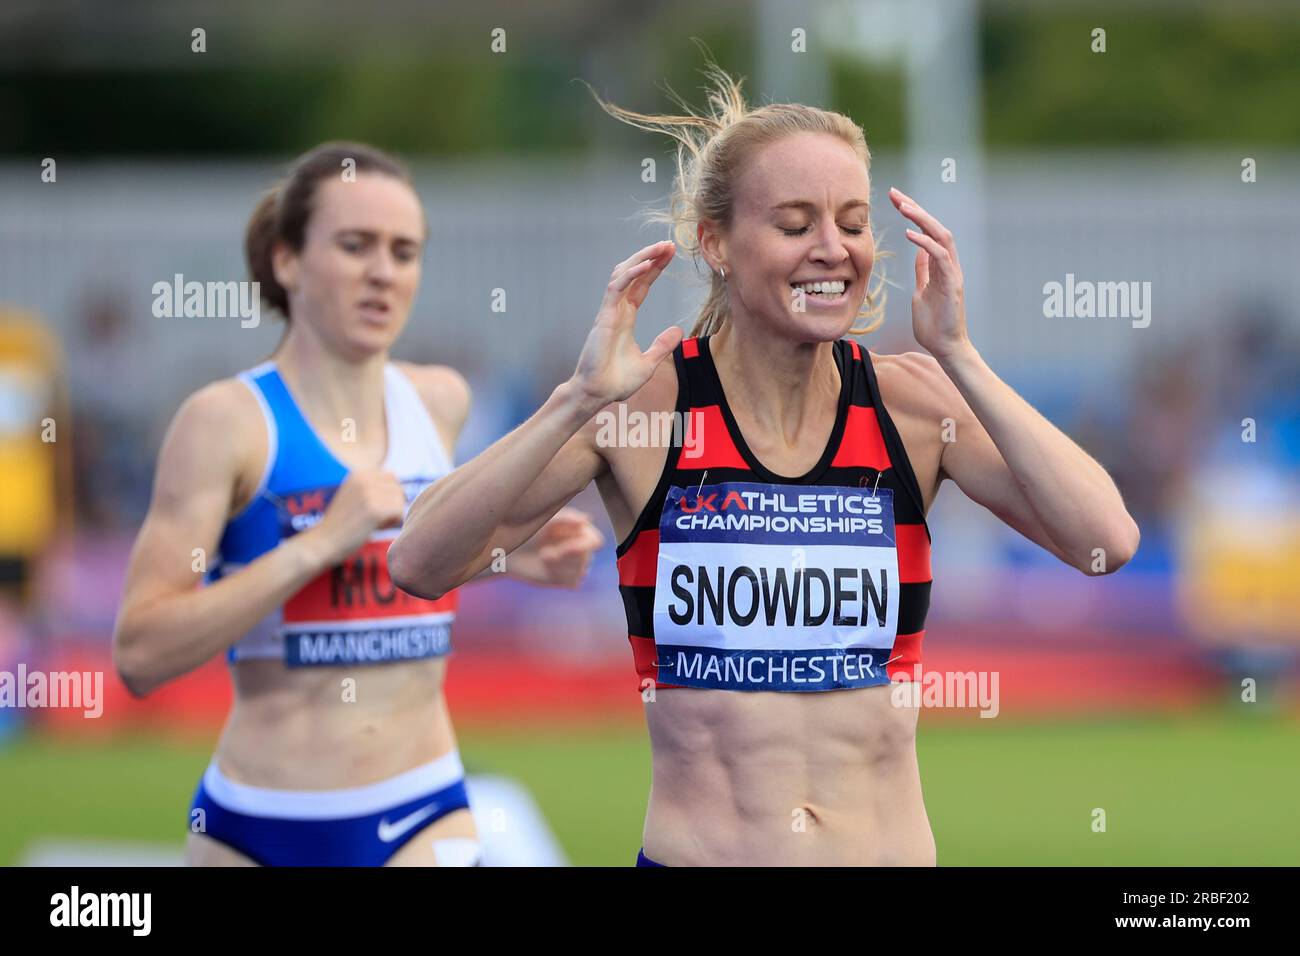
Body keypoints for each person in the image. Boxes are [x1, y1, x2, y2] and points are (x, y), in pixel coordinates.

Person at [388, 68, 1140, 866]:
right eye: (794, 224)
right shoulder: (643, 409)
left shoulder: (915, 407)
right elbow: (419, 563)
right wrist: (574, 400)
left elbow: (1105, 540)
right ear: (715, 243)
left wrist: (960, 354)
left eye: (853, 223)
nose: (832, 249)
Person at [112, 142, 603, 867]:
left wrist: (508, 558)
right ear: (287, 260)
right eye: (355, 245)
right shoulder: (226, 422)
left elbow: (405, 570)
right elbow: (140, 655)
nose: (382, 272)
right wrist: (315, 544)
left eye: (404, 252)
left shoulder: (439, 401)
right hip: (254, 825)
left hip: (421, 810)